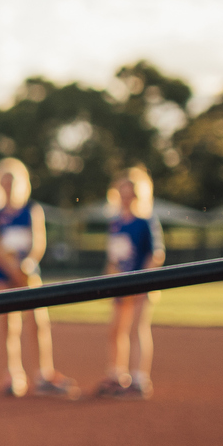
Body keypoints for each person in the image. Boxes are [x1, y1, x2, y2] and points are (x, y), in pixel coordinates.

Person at [0, 158, 75, 399]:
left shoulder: (32, 209)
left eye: (12, 182)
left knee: (39, 323)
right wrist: (12, 268)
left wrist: (25, 266)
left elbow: (38, 242)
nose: (8, 187)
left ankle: (44, 372)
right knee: (9, 325)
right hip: (4, 274)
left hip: (28, 273)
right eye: (4, 182)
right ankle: (12, 373)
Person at [98, 167, 165, 400]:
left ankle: (139, 379)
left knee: (137, 330)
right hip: (120, 285)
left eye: (131, 194)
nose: (126, 199)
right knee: (116, 331)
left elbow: (155, 254)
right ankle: (116, 374)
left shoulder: (146, 221)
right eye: (122, 194)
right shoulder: (115, 223)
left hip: (140, 285)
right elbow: (113, 258)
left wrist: (142, 282)